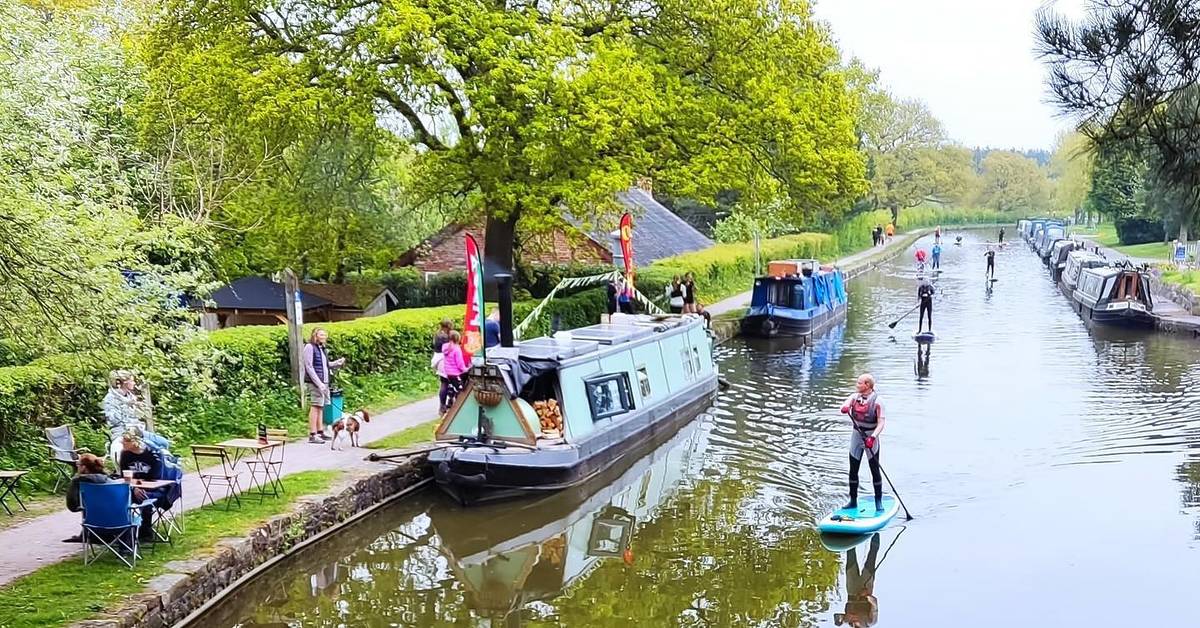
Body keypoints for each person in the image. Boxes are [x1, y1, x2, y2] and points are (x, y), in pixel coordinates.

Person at [839, 373, 886, 513]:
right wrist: (845, 408)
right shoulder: (854, 397)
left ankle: (878, 501)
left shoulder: (878, 401)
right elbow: (845, 404)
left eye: (859, 383)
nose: (857, 384)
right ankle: (853, 501)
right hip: (856, 436)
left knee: (874, 470)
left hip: (871, 437)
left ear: (867, 385)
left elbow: (881, 422)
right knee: (853, 470)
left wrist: (873, 437)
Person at [103, 371, 171, 456]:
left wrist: (139, 409)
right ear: (123, 383)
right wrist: (127, 405)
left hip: (138, 431)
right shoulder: (110, 399)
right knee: (155, 449)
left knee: (164, 443)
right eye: (132, 381)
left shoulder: (130, 396)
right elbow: (113, 420)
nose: (134, 383)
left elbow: (136, 417)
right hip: (122, 432)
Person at [117, 429, 167, 541]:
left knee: (145, 497)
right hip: (133, 488)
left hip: (154, 489)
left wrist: (138, 487)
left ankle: (146, 531)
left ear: (135, 441)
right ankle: (120, 531)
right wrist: (134, 488)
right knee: (117, 497)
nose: (122, 442)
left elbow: (156, 478)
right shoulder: (125, 454)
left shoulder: (154, 454)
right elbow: (124, 477)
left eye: (125, 440)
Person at [62, 453, 117, 543]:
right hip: (119, 525)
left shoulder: (78, 482)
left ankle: (86, 535)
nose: (77, 467)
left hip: (94, 524)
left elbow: (72, 506)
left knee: (88, 505)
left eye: (78, 465)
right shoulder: (111, 482)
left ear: (84, 467)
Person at [303, 328, 346, 444]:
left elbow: (325, 365)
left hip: (324, 382)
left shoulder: (321, 348)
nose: (324, 336)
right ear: (315, 335)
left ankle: (320, 431)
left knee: (321, 406)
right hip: (316, 382)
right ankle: (313, 434)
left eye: (325, 334)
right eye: (321, 334)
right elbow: (309, 367)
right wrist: (319, 383)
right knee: (315, 405)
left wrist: (337, 363)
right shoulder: (309, 347)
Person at [834, 533, 881, 627]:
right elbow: (874, 603)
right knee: (872, 556)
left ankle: (850, 533)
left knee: (850, 555)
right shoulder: (870, 622)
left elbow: (836, 617)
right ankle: (876, 531)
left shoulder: (849, 622)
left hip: (852, 590)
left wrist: (841, 619)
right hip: (866, 588)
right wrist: (867, 596)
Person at [440, 330, 469, 413]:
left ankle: (449, 402)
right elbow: (459, 363)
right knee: (460, 390)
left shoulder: (445, 347)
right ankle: (458, 407)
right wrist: (465, 369)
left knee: (452, 388)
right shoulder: (456, 349)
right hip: (456, 373)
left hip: (448, 373)